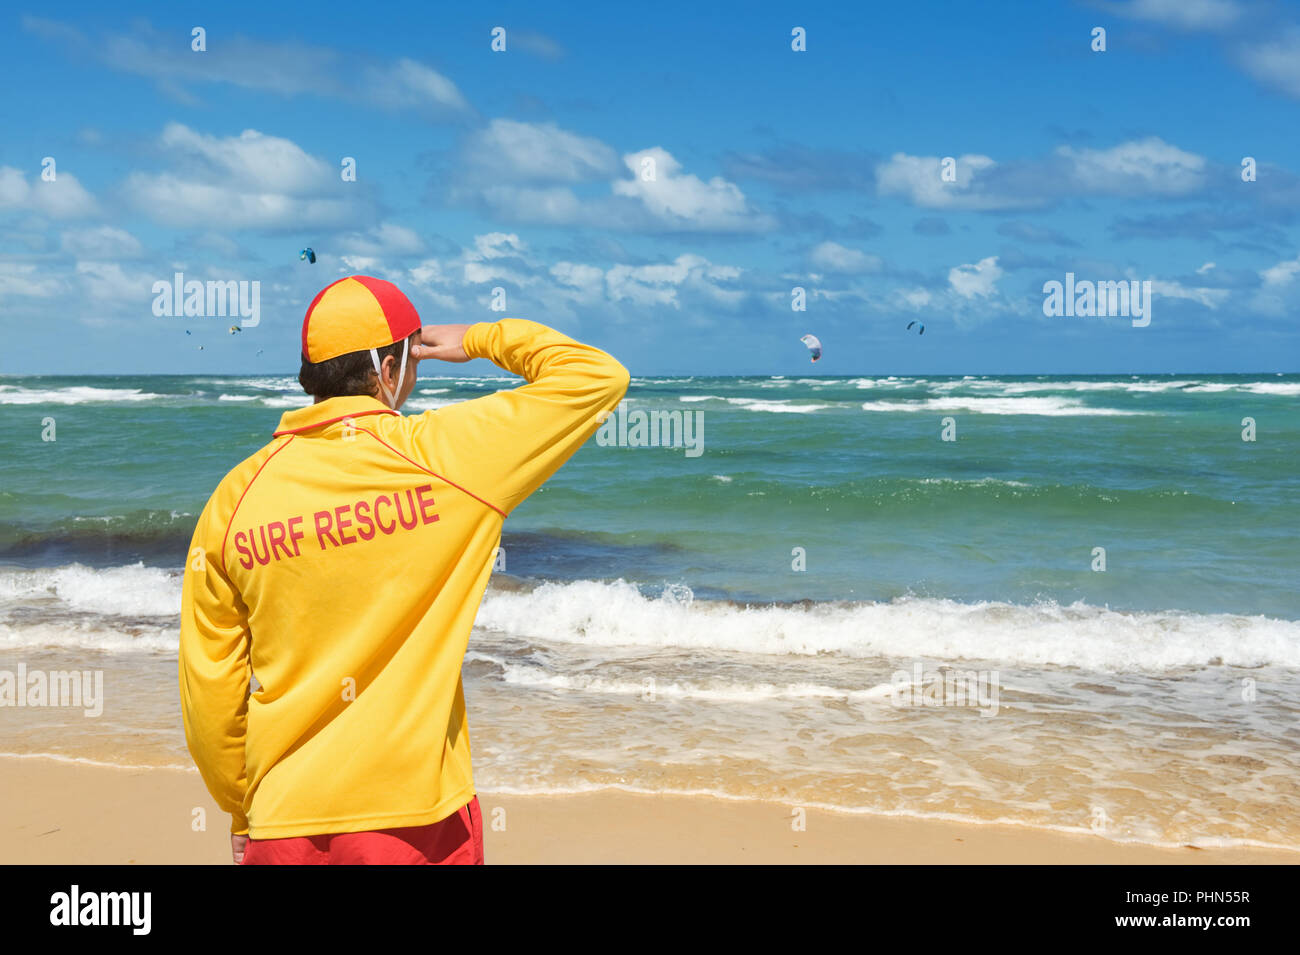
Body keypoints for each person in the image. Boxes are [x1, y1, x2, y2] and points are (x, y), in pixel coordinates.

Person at [178, 274, 629, 864]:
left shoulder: (236, 497)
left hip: (282, 821)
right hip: (416, 822)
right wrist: (482, 338)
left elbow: (209, 686)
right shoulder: (449, 456)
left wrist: (241, 806)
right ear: (388, 370)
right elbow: (597, 376)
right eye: (409, 363)